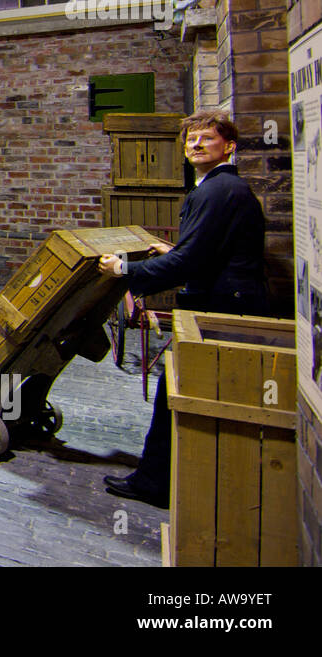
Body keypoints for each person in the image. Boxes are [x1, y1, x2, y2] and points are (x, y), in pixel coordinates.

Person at [97, 109, 269, 507]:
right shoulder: (224, 189)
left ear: (229, 146)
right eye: (191, 139)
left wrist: (124, 268)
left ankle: (156, 483)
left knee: (175, 394)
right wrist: (174, 251)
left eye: (207, 138)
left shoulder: (214, 191)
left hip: (221, 308)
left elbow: (190, 264)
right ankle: (167, 476)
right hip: (229, 303)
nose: (196, 145)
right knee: (179, 392)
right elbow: (207, 254)